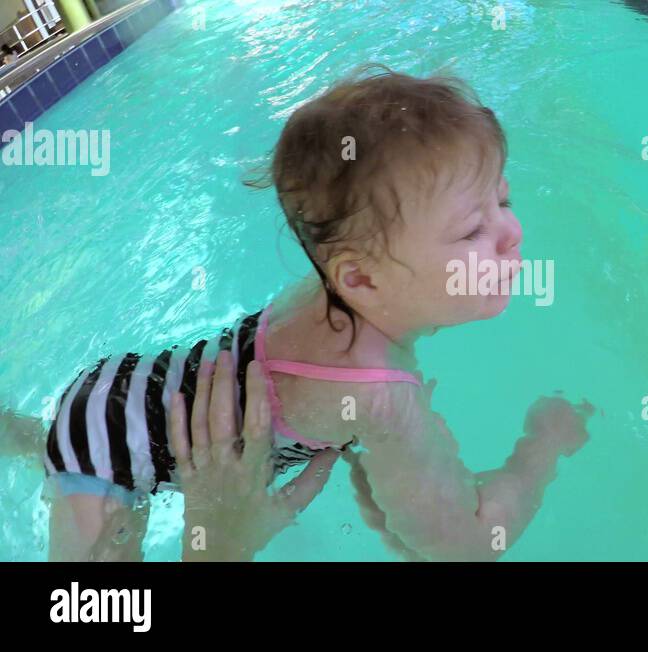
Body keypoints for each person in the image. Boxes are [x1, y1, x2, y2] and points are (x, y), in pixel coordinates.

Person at [41, 63, 595, 562]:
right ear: (361, 278)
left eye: (504, 201)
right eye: (473, 229)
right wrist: (542, 446)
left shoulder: (336, 285)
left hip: (124, 387)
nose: (511, 235)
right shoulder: (381, 392)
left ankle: (30, 440)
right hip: (99, 458)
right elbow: (466, 547)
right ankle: (42, 450)